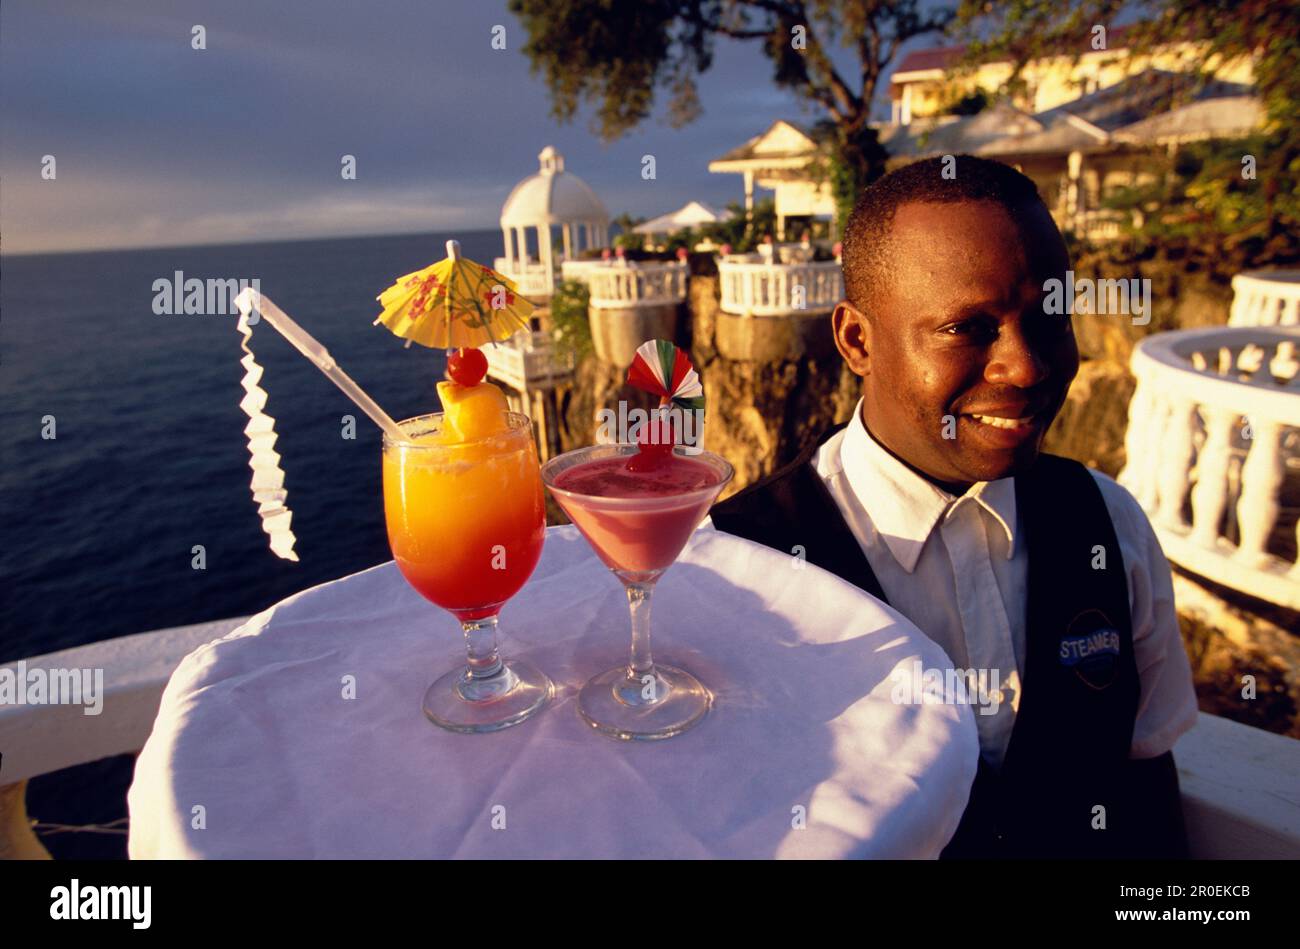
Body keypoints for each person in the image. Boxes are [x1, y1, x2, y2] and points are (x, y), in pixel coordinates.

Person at [710, 155, 1198, 859]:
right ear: (857, 340)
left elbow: (1145, 769)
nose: (1026, 366)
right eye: (969, 328)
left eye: (1049, 317)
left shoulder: (1107, 522)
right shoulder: (739, 567)